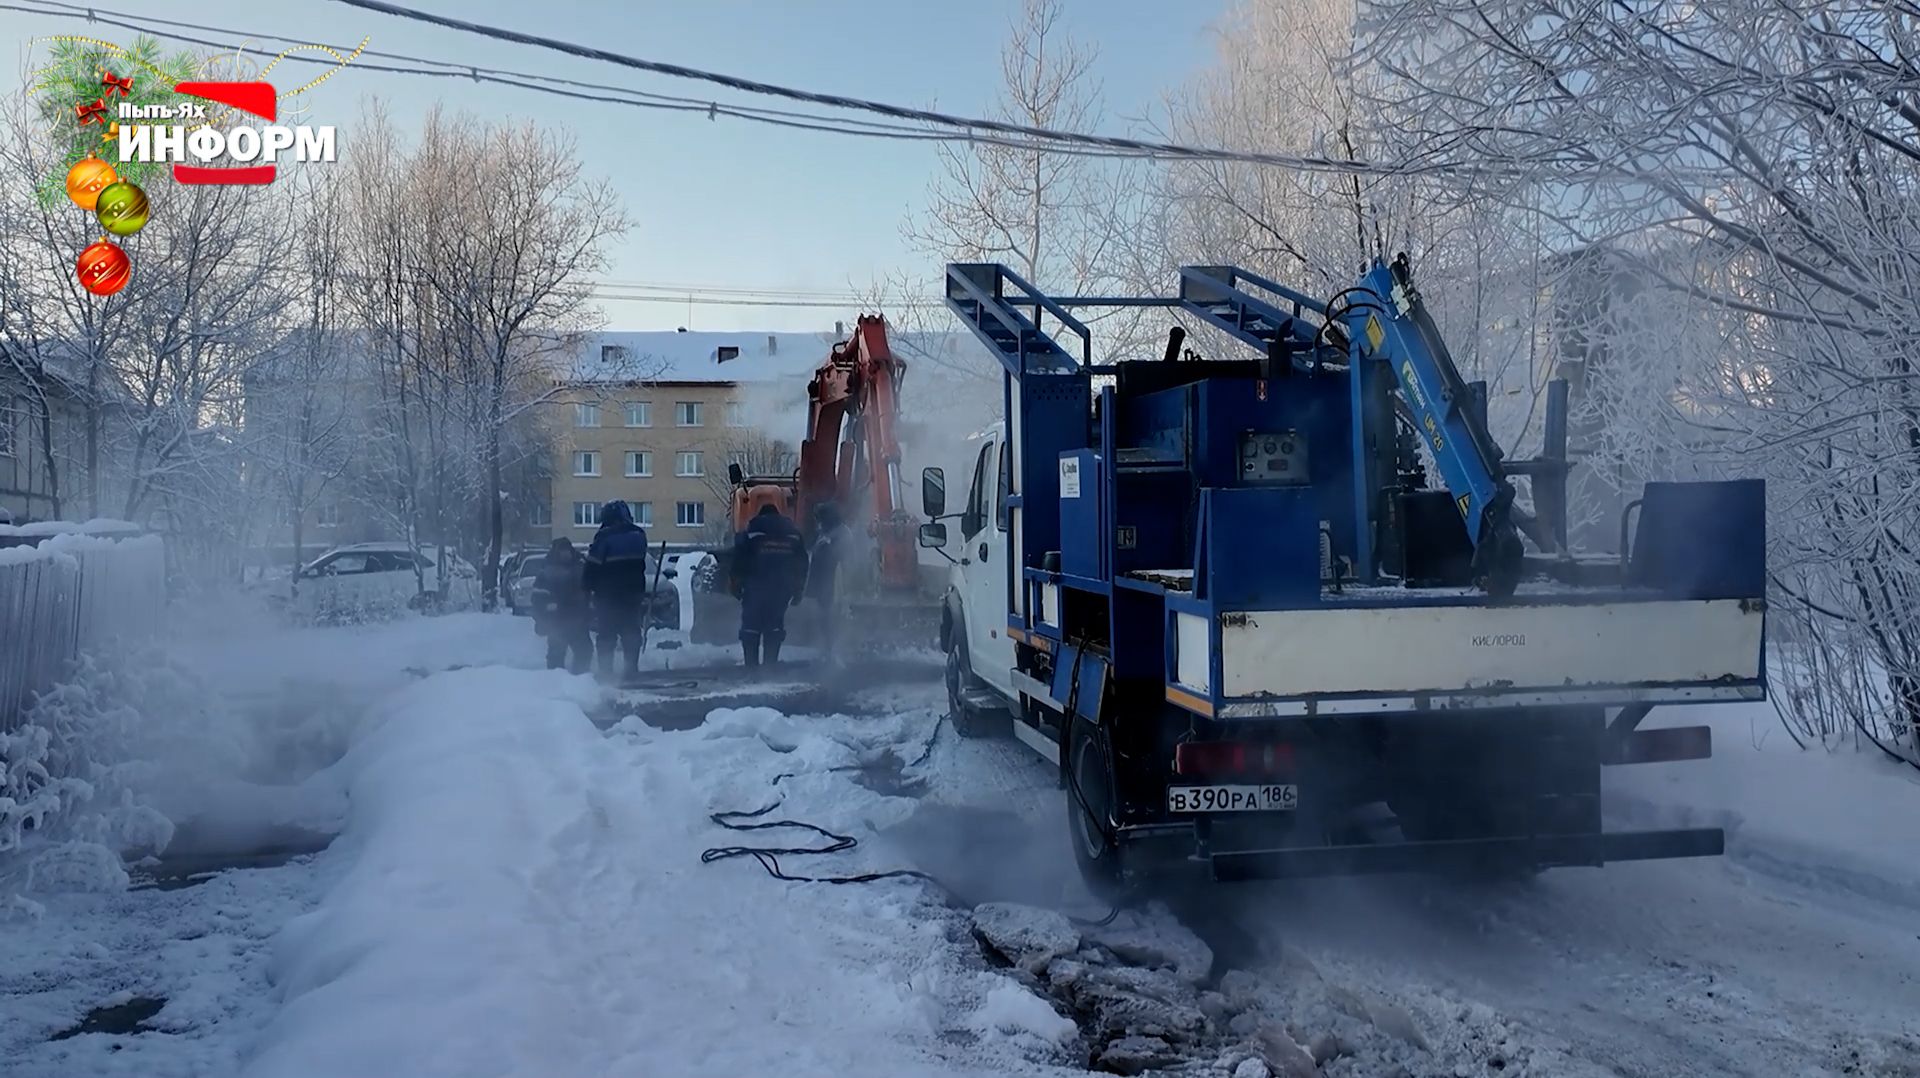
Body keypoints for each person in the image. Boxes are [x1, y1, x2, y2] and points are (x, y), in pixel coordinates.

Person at [732, 502, 809, 667]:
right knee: (774, 624)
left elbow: (739, 559)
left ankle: (751, 666)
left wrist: (736, 584)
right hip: (782, 587)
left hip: (755, 586)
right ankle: (770, 665)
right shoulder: (794, 535)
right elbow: (802, 563)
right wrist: (798, 589)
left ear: (760, 515)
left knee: (751, 625)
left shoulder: (751, 531)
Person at [582, 499, 652, 681]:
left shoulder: (604, 537)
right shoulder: (639, 534)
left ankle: (606, 672)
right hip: (633, 592)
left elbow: (593, 565)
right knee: (631, 631)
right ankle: (631, 669)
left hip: (608, 594)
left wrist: (586, 587)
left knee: (607, 633)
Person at [530, 537, 592, 673]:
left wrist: (588, 610)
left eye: (567, 550)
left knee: (584, 651)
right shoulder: (547, 570)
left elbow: (588, 590)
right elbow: (538, 597)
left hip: (577, 618)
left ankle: (580, 678)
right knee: (557, 652)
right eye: (562, 551)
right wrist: (543, 614)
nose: (565, 554)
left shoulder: (579, 566)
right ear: (556, 553)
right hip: (557, 620)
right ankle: (556, 680)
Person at [807, 502, 854, 663]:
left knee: (834, 615)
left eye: (819, 518)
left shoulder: (841, 533)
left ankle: (836, 648)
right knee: (824, 615)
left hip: (835, 580)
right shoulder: (824, 532)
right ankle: (828, 647)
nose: (817, 522)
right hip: (823, 581)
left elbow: (844, 558)